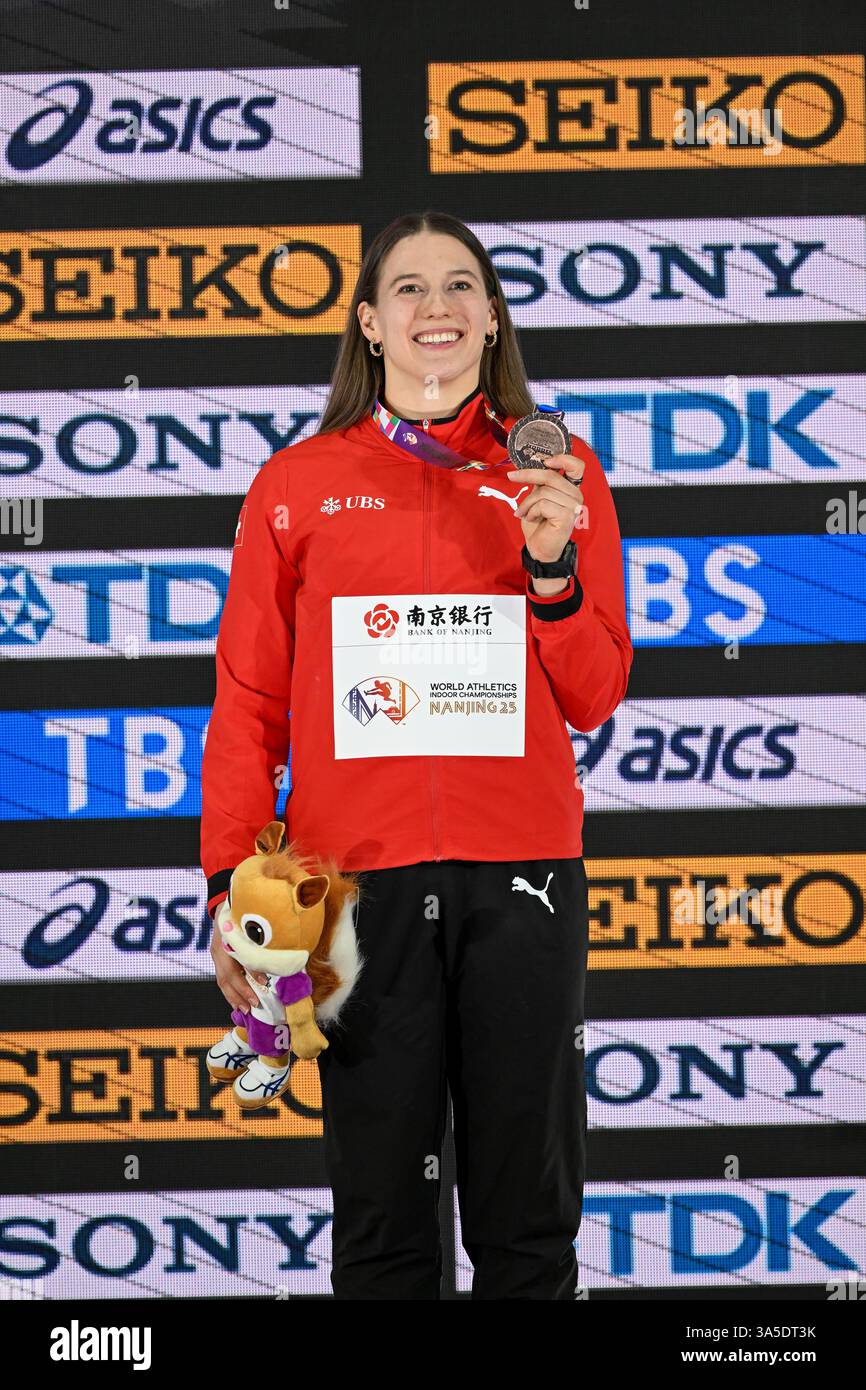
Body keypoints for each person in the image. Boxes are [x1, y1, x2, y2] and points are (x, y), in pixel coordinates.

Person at [201, 209, 633, 1300]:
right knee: (384, 1225)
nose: (433, 306)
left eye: (458, 286)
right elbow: (249, 704)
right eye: (406, 288)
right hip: (354, 889)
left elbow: (592, 691)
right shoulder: (296, 486)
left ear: (491, 318)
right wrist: (230, 889)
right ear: (367, 323)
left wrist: (549, 565)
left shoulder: (559, 471)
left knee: (527, 1224)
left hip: (521, 874)